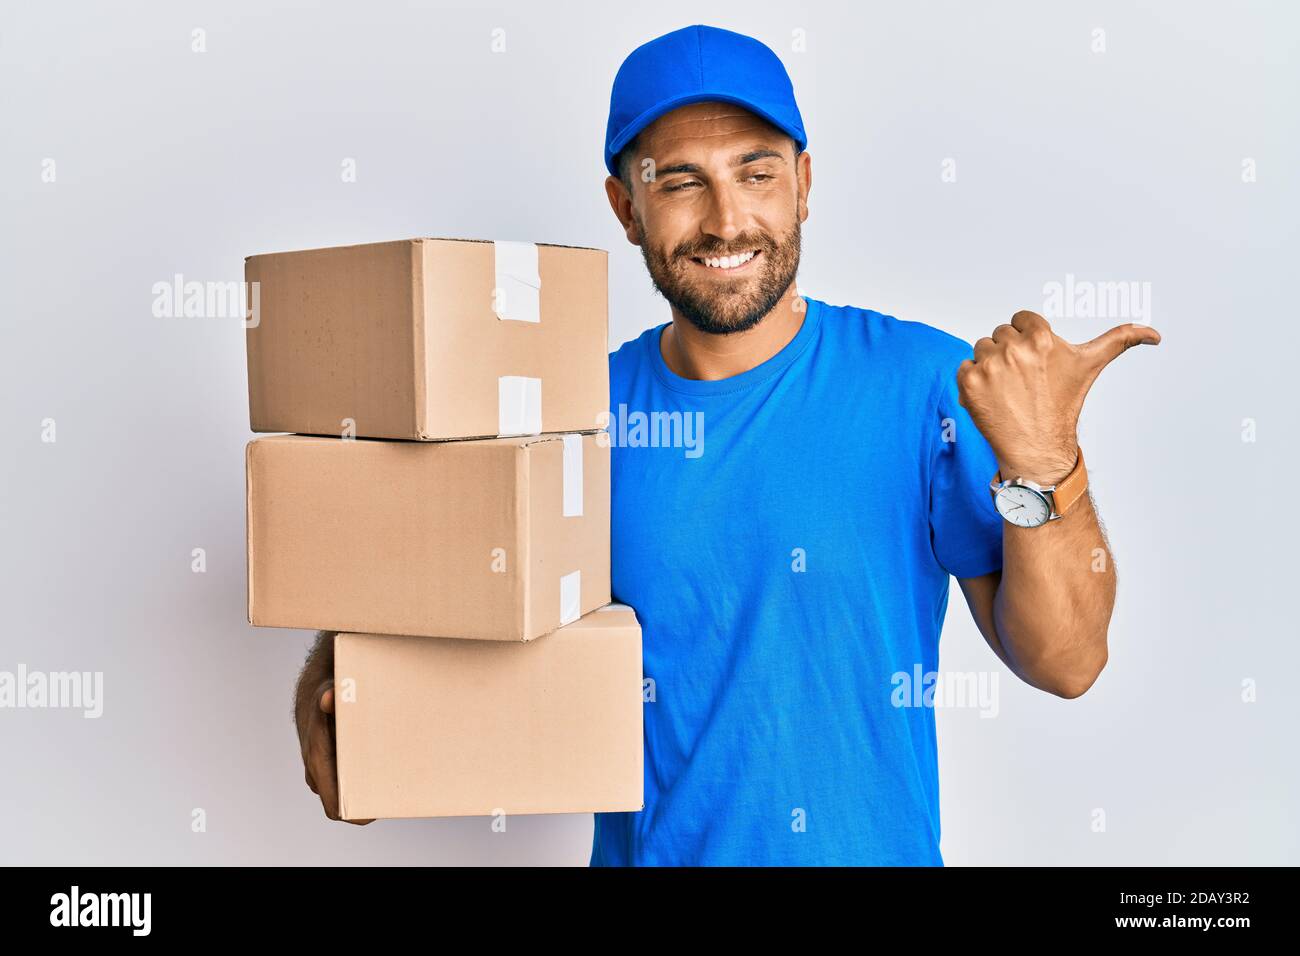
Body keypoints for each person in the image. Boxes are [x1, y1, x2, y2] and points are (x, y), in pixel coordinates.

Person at [295, 24, 1161, 865]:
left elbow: (1067, 663)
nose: (727, 219)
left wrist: (1047, 459)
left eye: (757, 173)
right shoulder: (570, 420)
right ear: (626, 208)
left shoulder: (928, 386)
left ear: (804, 184)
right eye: (681, 182)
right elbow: (431, 608)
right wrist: (336, 697)